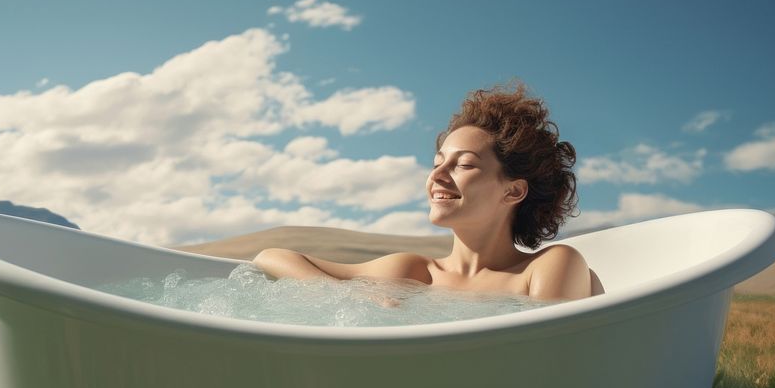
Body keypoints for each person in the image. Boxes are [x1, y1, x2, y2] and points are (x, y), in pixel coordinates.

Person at [253, 80, 592, 302]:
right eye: (436, 163)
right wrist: (354, 297)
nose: (437, 176)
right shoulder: (414, 273)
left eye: (464, 165)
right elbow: (272, 257)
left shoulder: (547, 267)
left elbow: (549, 359)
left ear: (514, 191)